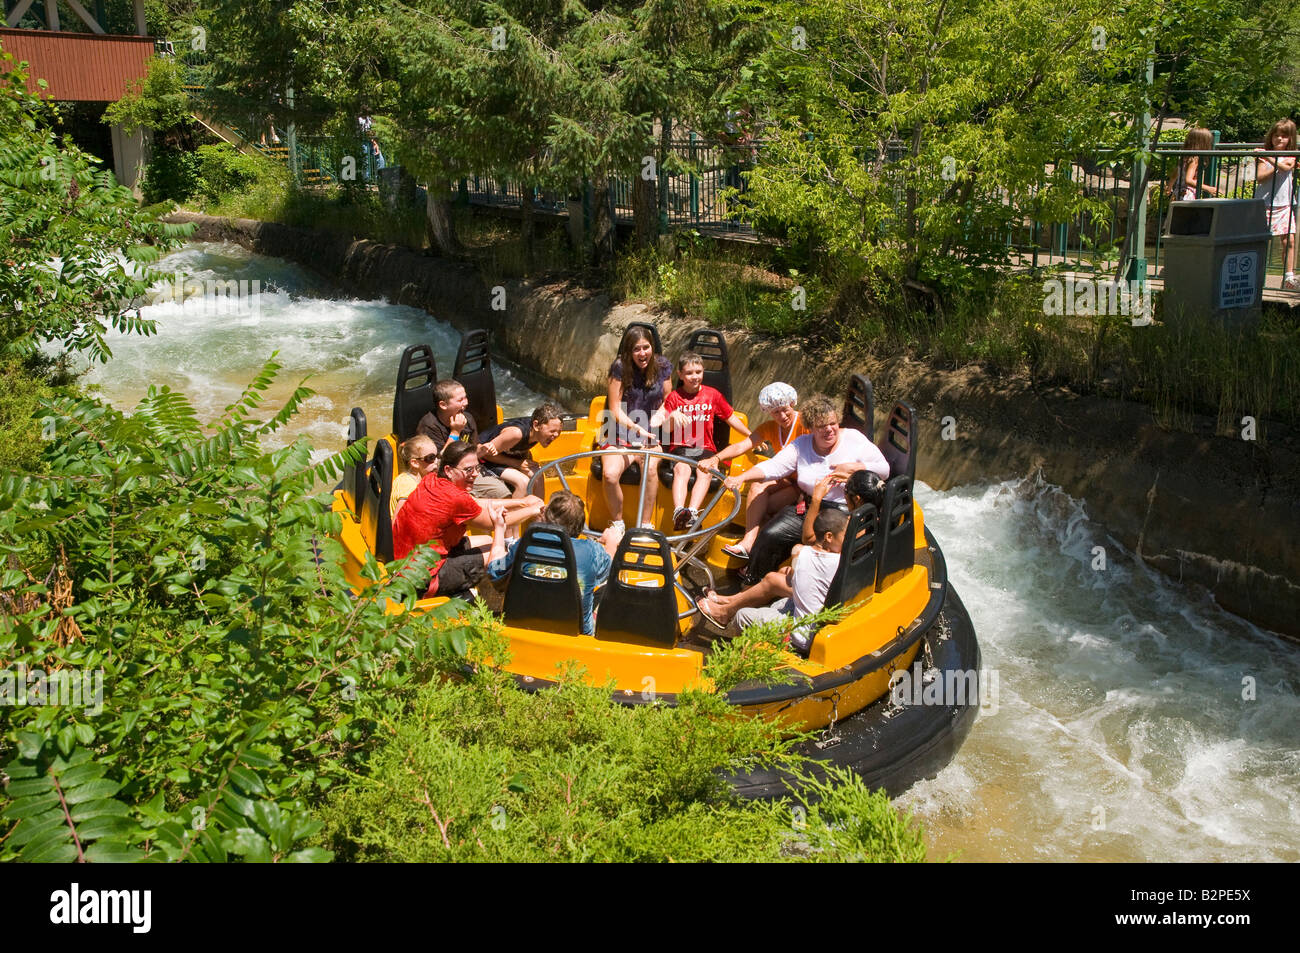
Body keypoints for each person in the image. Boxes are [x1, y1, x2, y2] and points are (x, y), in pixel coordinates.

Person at [722, 393, 888, 585]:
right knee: (770, 534)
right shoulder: (801, 445)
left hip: (843, 511)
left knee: (814, 547)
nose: (829, 430)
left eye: (833, 423)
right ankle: (753, 583)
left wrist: (854, 468)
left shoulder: (853, 439)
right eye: (822, 426)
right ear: (810, 428)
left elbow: (884, 469)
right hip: (810, 507)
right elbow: (774, 466)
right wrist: (742, 477)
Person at [392, 442, 543, 599]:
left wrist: (522, 502)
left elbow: (475, 504)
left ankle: (481, 595)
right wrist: (534, 510)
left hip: (406, 561)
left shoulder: (432, 480)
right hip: (421, 578)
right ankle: (490, 604)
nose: (475, 474)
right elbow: (493, 522)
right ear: (448, 470)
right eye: (468, 470)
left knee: (488, 541)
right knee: (500, 555)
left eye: (477, 468)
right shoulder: (454, 498)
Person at [697, 508, 848, 655]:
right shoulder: (840, 560)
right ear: (828, 537)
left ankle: (743, 653)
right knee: (777, 590)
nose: (847, 539)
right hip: (818, 623)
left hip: (802, 637)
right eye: (845, 535)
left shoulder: (802, 554)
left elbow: (800, 548)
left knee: (742, 615)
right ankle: (730, 605)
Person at [696, 381, 808, 559]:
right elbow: (741, 446)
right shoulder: (770, 428)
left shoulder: (805, 424)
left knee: (765, 507)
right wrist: (715, 458)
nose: (782, 416)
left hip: (804, 484)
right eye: (776, 412)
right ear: (769, 412)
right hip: (787, 478)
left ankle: (760, 550)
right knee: (756, 487)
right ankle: (748, 544)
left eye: (785, 409)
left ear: (792, 403)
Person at [487, 490, 623, 635]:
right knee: (603, 588)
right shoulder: (592, 551)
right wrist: (612, 542)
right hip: (575, 633)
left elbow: (494, 570)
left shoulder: (525, 544)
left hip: (523, 626)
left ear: (545, 517)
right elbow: (609, 569)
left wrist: (499, 529)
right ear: (580, 525)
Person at [662, 352, 751, 530]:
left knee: (706, 472)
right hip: (681, 447)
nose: (694, 377)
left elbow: (731, 417)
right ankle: (679, 511)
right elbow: (665, 430)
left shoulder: (712, 395)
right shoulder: (674, 397)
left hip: (706, 448)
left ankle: (692, 513)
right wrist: (672, 416)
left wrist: (751, 435)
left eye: (698, 372)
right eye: (689, 373)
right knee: (682, 469)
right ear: (680, 375)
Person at [599, 326, 672, 534]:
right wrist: (634, 428)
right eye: (636, 349)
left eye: (646, 347)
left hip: (651, 434)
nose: (642, 353)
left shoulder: (663, 366)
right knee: (610, 474)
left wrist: (659, 418)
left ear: (652, 347)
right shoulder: (619, 368)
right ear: (629, 352)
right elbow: (614, 409)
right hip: (621, 432)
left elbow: (669, 400)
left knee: (649, 468)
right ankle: (618, 523)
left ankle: (644, 524)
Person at [416, 379, 511, 498]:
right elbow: (438, 463)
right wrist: (455, 432)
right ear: (443, 405)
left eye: (465, 397)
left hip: (468, 470)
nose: (466, 402)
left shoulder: (468, 418)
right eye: (460, 400)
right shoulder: (429, 426)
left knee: (502, 492)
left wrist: (482, 449)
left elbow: (474, 448)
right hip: (445, 475)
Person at [478, 402, 565, 498]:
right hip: (484, 461)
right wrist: (516, 463)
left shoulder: (538, 434)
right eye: (552, 431)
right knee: (523, 482)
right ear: (536, 425)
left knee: (538, 475)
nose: (556, 435)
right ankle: (516, 508)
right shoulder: (515, 434)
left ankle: (539, 507)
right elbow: (485, 454)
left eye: (559, 431)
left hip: (506, 457)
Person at [1256, 119, 1298, 290]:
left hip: (1284, 203)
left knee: (1289, 240)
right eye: (1276, 135)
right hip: (1265, 203)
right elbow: (1260, 177)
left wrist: (1270, 159)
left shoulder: (1291, 155)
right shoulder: (1263, 157)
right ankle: (1257, 275)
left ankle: (1288, 277)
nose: (1279, 139)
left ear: (1290, 138)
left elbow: (1286, 168)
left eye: (1284, 136)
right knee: (1260, 241)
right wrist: (1274, 163)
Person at [391, 434, 439, 520]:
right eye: (431, 458)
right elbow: (396, 522)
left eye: (436, 456)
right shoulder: (408, 486)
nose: (436, 461)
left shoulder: (409, 477)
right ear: (415, 463)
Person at [1173, 127, 1219, 201]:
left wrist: (1169, 187)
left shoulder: (1185, 157)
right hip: (1188, 195)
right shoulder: (1195, 159)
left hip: (1178, 193)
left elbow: (1174, 173)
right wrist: (1208, 188)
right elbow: (1188, 180)